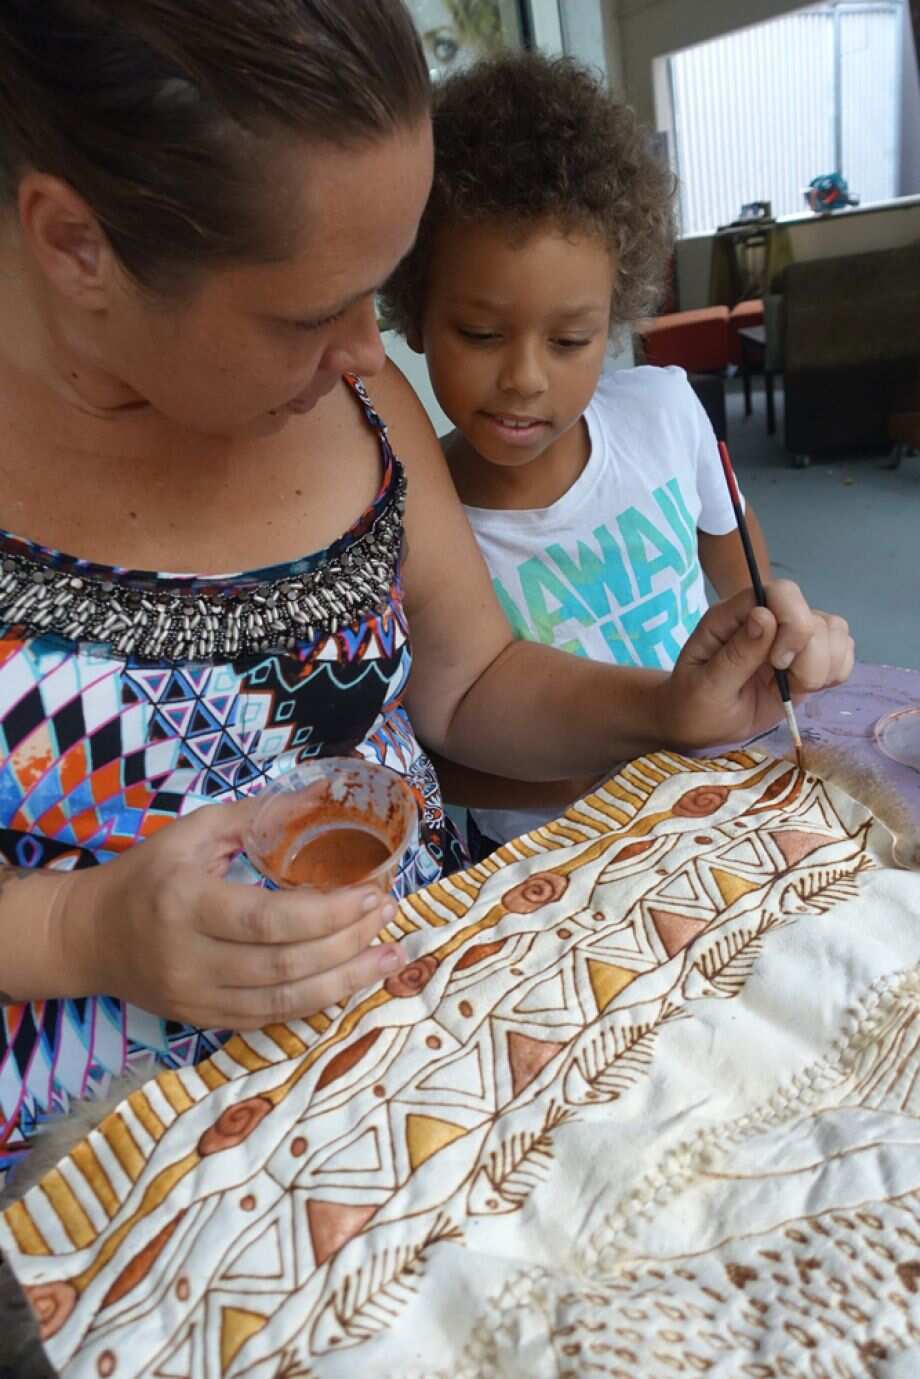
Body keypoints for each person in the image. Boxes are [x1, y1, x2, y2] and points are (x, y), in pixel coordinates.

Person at [0, 0, 851, 1182]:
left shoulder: (353, 400)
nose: (371, 351)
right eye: (309, 310)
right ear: (76, 244)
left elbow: (472, 680)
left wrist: (666, 706)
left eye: (381, 287)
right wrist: (75, 927)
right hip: (107, 1156)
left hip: (429, 1045)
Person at [380, 50, 779, 851]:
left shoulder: (667, 413)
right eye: (481, 333)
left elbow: (753, 601)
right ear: (417, 310)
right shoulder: (411, 526)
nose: (525, 379)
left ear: (618, 315)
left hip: (714, 805)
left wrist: (781, 643)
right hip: (549, 856)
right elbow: (428, 748)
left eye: (571, 339)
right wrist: (563, 780)